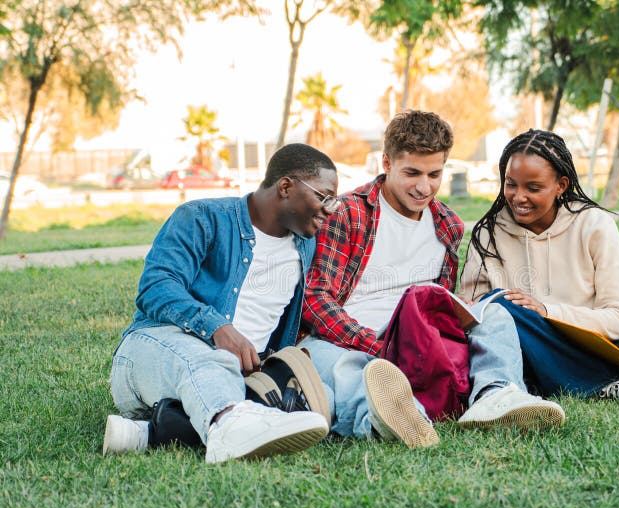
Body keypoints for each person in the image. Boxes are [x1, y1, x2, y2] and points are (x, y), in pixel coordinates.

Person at [300, 110, 565, 448]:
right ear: (387, 163)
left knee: (495, 312)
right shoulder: (349, 213)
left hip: (417, 336)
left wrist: (461, 313)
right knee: (339, 365)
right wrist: (376, 346)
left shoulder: (447, 224)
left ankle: (495, 395)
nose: (424, 186)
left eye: (434, 174)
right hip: (354, 340)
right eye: (412, 173)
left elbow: (440, 297)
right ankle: (388, 419)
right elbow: (317, 299)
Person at [103, 143, 340, 463]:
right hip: (151, 355)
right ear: (286, 186)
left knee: (320, 397)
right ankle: (228, 424)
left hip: (234, 380)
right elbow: (156, 288)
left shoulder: (303, 245)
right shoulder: (201, 218)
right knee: (214, 362)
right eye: (324, 197)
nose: (330, 208)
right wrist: (217, 327)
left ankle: (148, 433)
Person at [460, 129, 619, 405]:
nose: (518, 197)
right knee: (500, 305)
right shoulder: (488, 234)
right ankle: (611, 385)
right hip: (530, 352)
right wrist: (494, 310)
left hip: (598, 347)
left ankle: (578, 380)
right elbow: (475, 316)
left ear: (561, 185)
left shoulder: (594, 225)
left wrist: (547, 311)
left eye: (533, 188)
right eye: (511, 184)